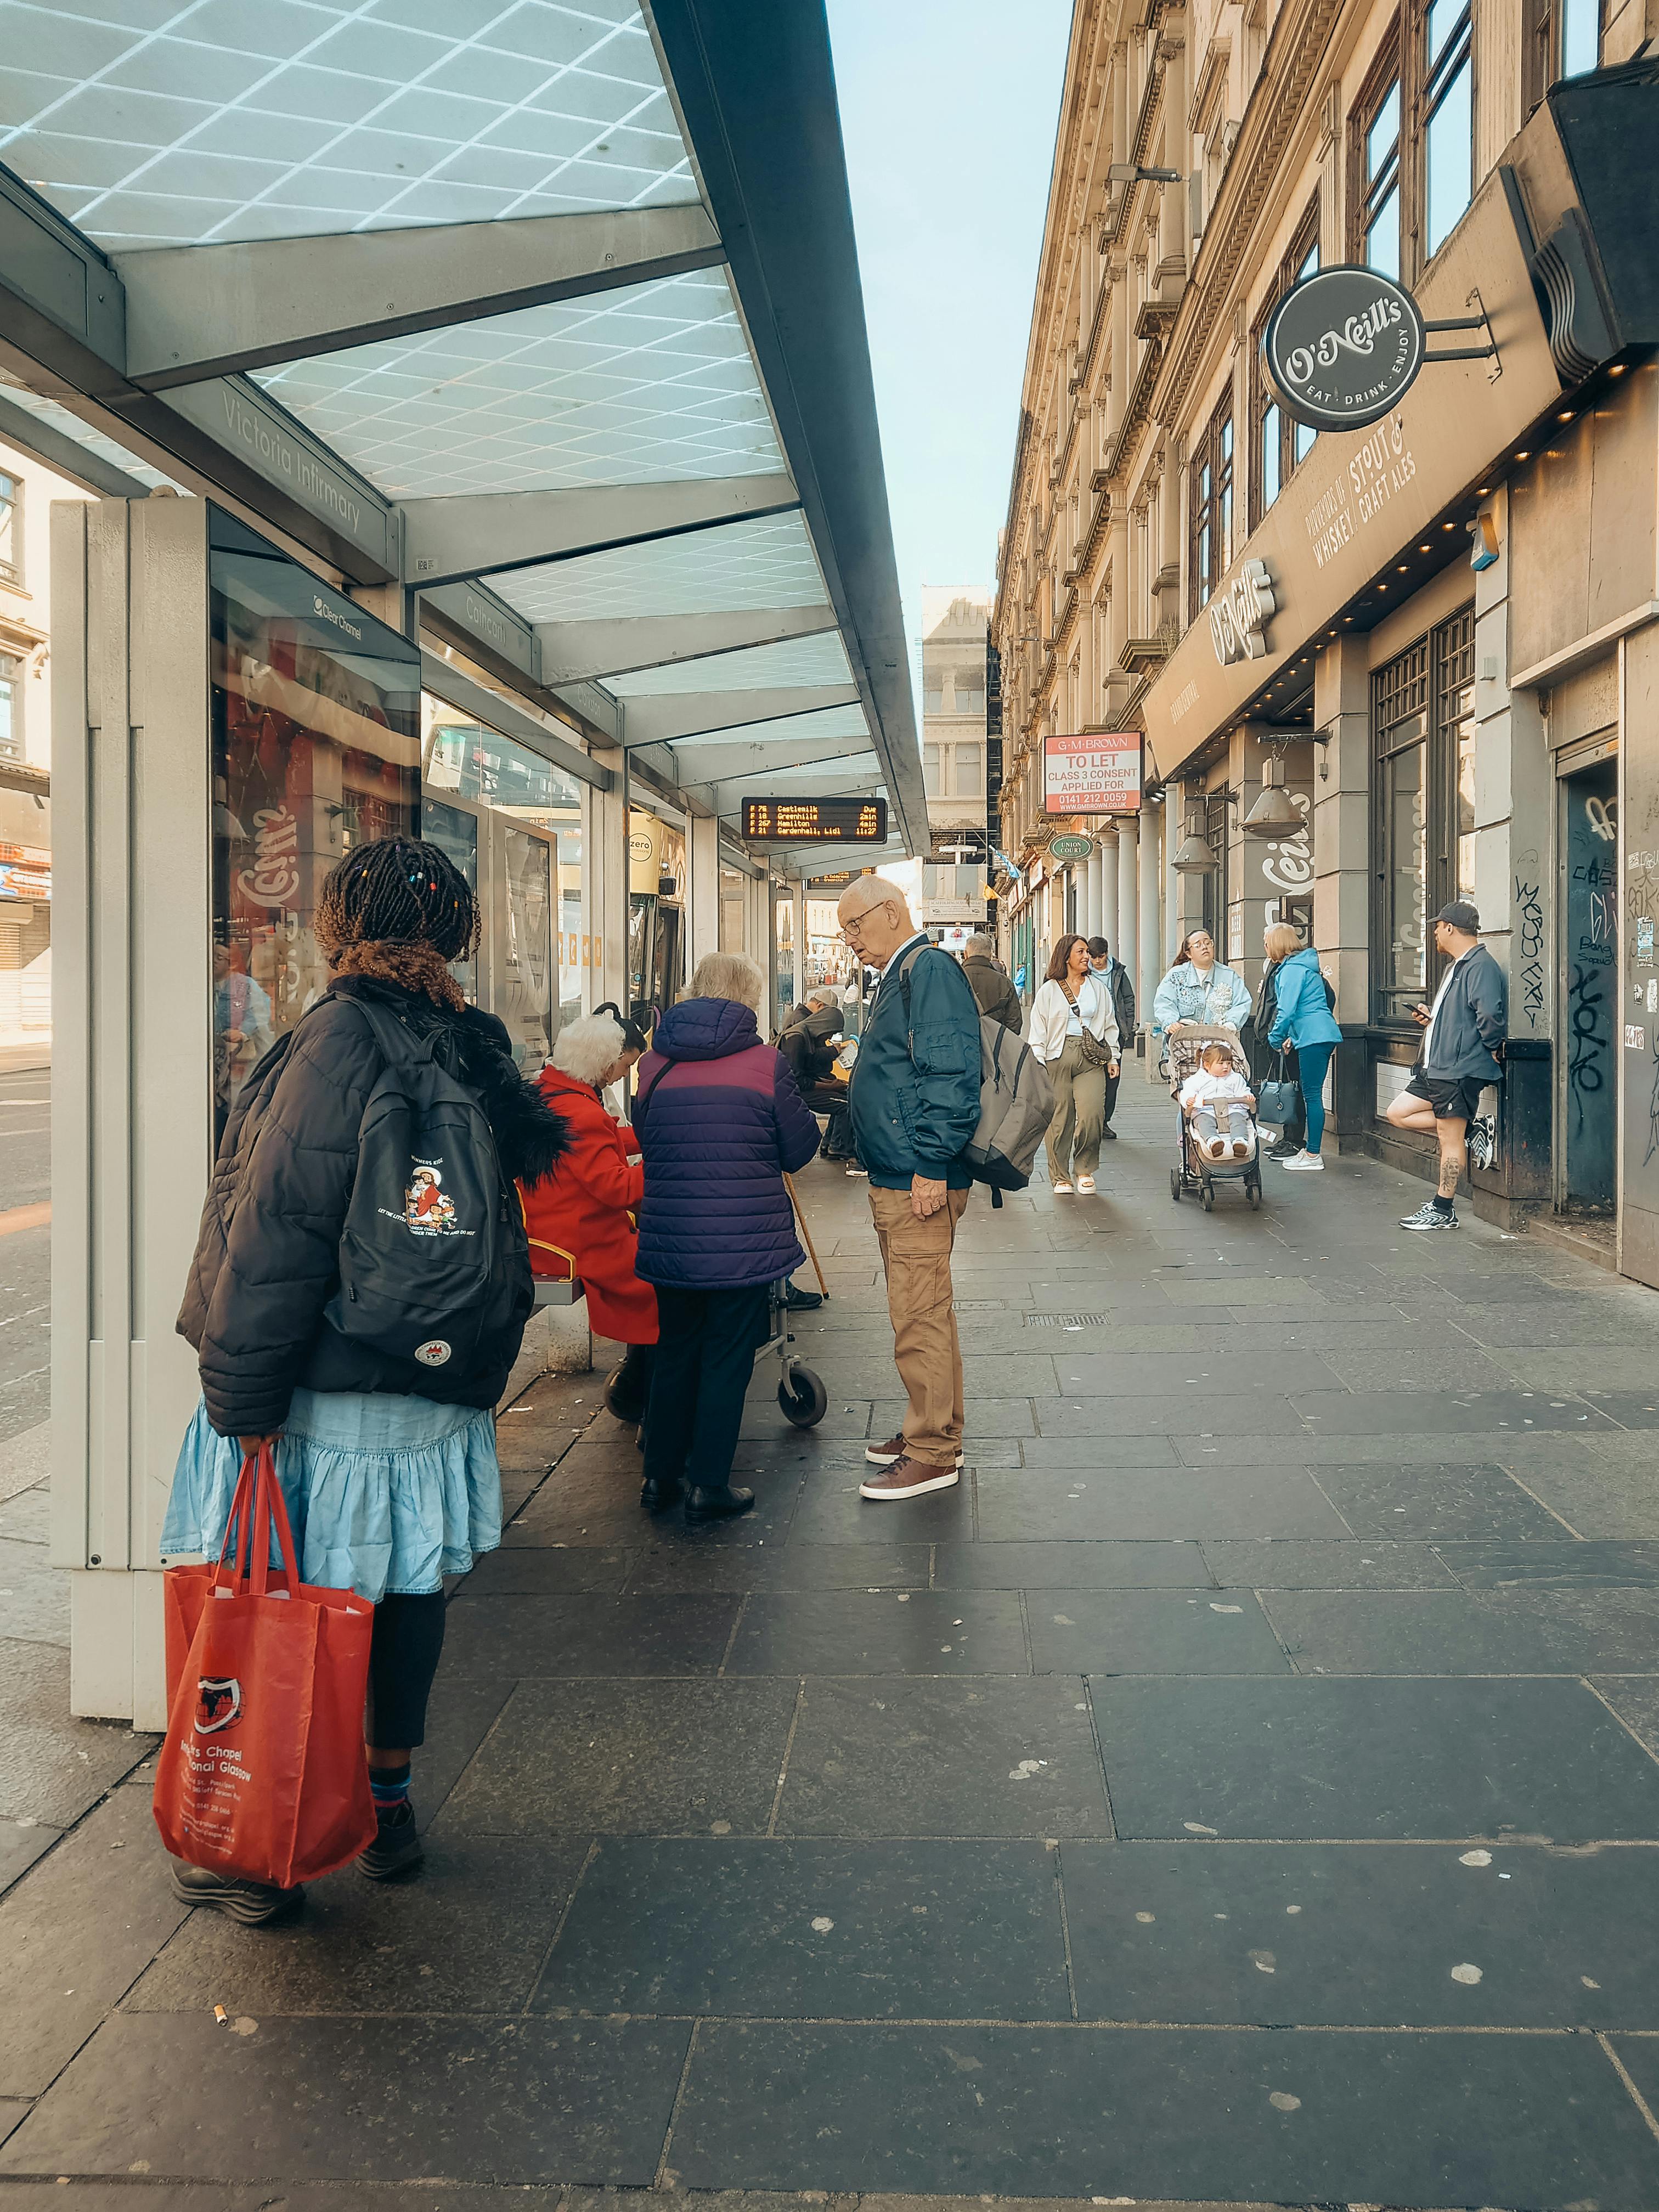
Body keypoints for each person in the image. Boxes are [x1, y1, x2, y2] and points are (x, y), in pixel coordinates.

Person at [168, 838, 570, 1922]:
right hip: (428, 1394)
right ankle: (387, 1809)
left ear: (339, 929)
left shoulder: (337, 1036)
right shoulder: (475, 1044)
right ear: (457, 936)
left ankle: (269, 1844)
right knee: (401, 1599)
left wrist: (239, 1397)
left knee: (294, 1601)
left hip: (326, 1388)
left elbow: (278, 1231)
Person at [633, 951, 820, 1520]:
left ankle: (659, 1478)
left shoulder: (652, 1064)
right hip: (743, 1244)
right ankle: (709, 1484)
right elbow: (799, 1148)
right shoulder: (765, 1064)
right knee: (726, 1360)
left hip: (670, 1238)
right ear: (748, 999)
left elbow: (648, 1139)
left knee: (674, 1353)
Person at [838, 873, 983, 1501]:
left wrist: (929, 1164)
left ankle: (932, 1451)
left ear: (892, 912)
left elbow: (951, 1071)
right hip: (901, 1171)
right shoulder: (907, 971)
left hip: (917, 1176)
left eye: (854, 926)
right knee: (924, 1312)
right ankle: (931, 1427)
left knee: (918, 1315)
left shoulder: (926, 970)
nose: (849, 942)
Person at [520, 1003, 658, 1421]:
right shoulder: (579, 1111)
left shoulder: (549, 1092)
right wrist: (670, 1160)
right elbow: (615, 1187)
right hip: (578, 1237)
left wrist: (656, 1136)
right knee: (667, 1280)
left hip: (549, 1224)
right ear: (601, 1063)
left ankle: (642, 1379)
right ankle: (646, 1390)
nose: (620, 1075)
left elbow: (607, 1144)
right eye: (620, 1066)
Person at [1385, 900, 1507, 1229]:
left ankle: (1443, 1208)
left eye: (1438, 926)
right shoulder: (1456, 967)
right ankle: (1472, 1128)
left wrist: (1493, 1048)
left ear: (1451, 928)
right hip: (1435, 1065)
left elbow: (1490, 1017)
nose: (1436, 933)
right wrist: (1434, 1020)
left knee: (1448, 1136)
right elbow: (1464, 1016)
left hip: (1458, 1068)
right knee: (1397, 1113)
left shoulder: (1480, 966)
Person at [1029, 933, 1121, 1195]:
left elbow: (1109, 1025)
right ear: (1066, 956)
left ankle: (1084, 1168)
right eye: (1080, 952)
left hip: (1090, 1057)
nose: (1087, 957)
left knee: (1093, 1114)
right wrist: (1038, 1060)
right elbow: (1039, 1027)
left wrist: (1113, 1056)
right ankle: (1060, 1175)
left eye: (1087, 953)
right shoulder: (1049, 990)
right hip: (1056, 1056)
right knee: (1060, 1119)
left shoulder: (1099, 989)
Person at [1265, 927, 1344, 1172]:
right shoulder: (1306, 966)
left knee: (1311, 1096)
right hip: (1319, 1034)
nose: (1266, 948)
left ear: (1277, 944)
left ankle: (1312, 1155)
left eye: (1267, 943)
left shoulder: (1291, 970)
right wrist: (1292, 1036)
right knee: (1312, 1095)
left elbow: (1287, 1011)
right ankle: (1310, 1151)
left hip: (1313, 1037)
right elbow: (1308, 1006)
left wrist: (1276, 1038)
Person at [1243, 932, 1302, 1155]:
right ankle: (1288, 1137)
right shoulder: (1273, 966)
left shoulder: (1295, 968)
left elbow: (1292, 1007)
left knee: (1293, 1090)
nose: (1265, 947)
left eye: (1267, 943)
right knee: (1284, 1087)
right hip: (1271, 1037)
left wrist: (1286, 1036)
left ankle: (1295, 1140)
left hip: (1286, 1041)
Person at [1152, 929, 1252, 1034]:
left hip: (1217, 1043)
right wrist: (1171, 1023)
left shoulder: (1229, 976)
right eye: (1198, 945)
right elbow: (1164, 1002)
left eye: (1208, 943)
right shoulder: (1176, 976)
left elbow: (1242, 1003)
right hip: (1183, 1041)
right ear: (1189, 954)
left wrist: (1231, 1024)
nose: (1205, 947)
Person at [1085, 936, 1136, 1139]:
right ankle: (1090, 1120)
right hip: (1089, 1033)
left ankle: (1104, 1122)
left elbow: (1129, 999)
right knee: (1089, 1078)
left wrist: (1128, 1026)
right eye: (1094, 957)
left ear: (1107, 953)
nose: (1097, 961)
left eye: (1101, 956)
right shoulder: (1084, 971)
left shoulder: (1118, 972)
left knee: (1112, 1080)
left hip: (1115, 1033)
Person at [1180, 1041, 1257, 1161]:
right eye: (1221, 1063)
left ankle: (1240, 1141)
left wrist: (1247, 1096)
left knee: (1238, 1120)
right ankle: (1213, 1141)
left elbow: (1243, 1090)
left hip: (1232, 1111)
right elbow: (1187, 1093)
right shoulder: (1196, 1080)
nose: (1226, 1067)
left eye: (1229, 1063)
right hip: (1206, 1111)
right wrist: (1189, 1099)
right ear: (1207, 1065)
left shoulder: (1235, 1078)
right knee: (1204, 1121)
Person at [962, 932, 1022, 1032]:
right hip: (995, 1043)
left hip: (962, 1043)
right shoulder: (1004, 982)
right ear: (990, 955)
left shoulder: (954, 978)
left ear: (966, 954)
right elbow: (1015, 1021)